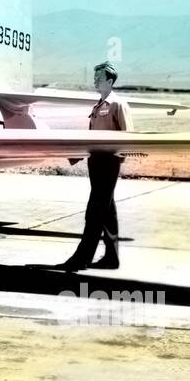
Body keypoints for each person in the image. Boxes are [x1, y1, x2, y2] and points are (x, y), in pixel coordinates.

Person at [57, 61, 133, 271]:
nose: (95, 81)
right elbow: (92, 138)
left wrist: (117, 160)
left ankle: (82, 258)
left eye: (98, 78)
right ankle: (111, 258)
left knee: (94, 211)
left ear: (110, 80)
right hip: (96, 164)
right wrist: (77, 155)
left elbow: (129, 137)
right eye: (94, 78)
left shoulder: (117, 105)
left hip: (108, 164)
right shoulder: (98, 106)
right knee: (107, 211)